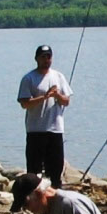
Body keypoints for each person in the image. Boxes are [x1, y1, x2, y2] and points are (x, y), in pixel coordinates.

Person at [17, 44, 71, 187]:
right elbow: (25, 103)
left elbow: (66, 101)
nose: (46, 60)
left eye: (49, 57)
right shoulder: (29, 78)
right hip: (36, 130)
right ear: (37, 58)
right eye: (43, 57)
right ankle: (30, 199)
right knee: (34, 170)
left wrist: (57, 95)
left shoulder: (59, 76)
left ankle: (55, 198)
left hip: (55, 129)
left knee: (55, 168)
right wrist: (44, 97)